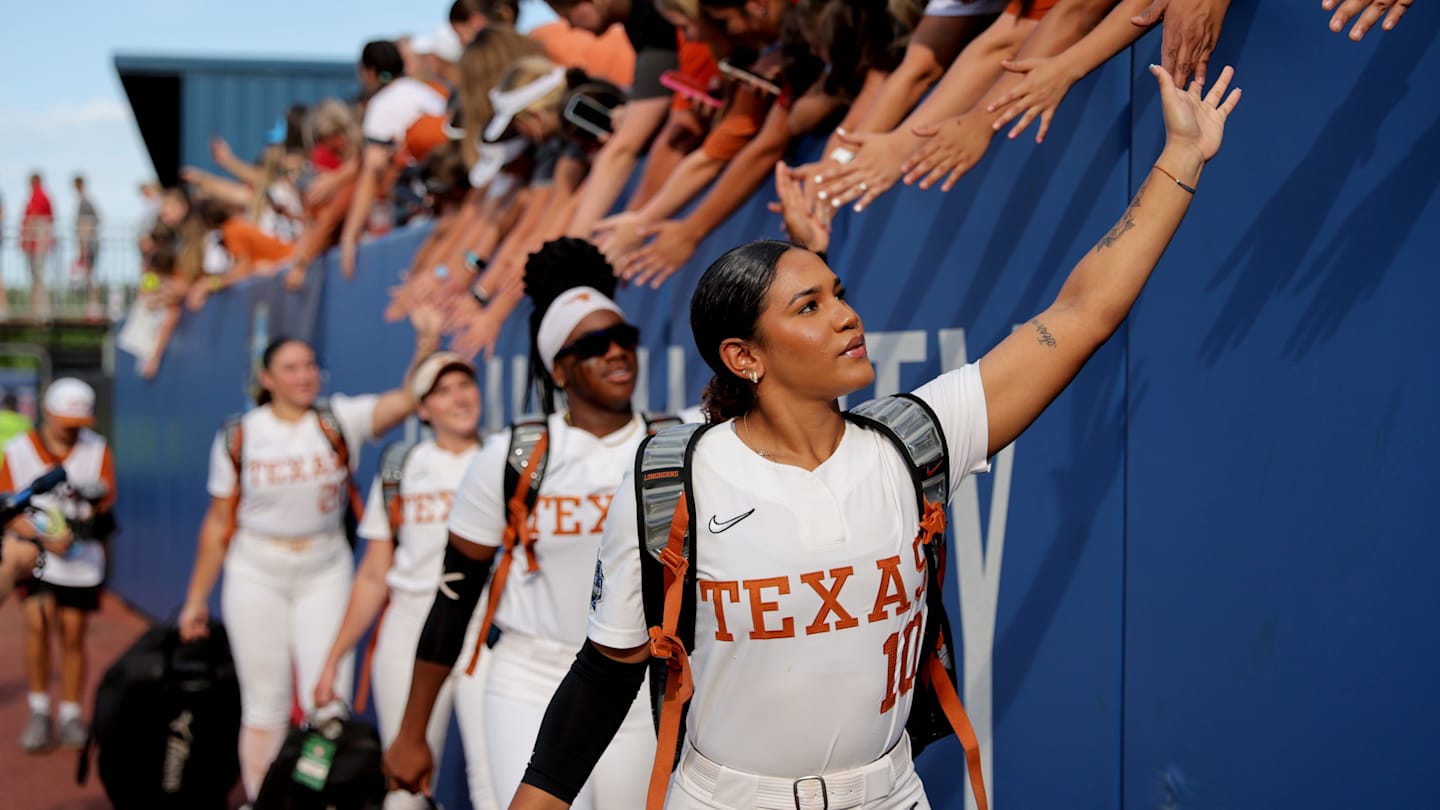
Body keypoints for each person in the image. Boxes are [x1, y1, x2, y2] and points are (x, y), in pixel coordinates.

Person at [507, 63, 1241, 810]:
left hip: (891, 793)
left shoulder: (914, 438)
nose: (846, 316)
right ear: (744, 357)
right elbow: (604, 675)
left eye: (841, 297)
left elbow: (1084, 312)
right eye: (810, 306)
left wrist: (1181, 155)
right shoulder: (672, 479)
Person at [385, 238, 669, 808]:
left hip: (633, 682)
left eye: (624, 338)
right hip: (530, 678)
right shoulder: (514, 455)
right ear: (559, 367)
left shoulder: (669, 446)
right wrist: (413, 730)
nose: (617, 353)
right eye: (593, 343)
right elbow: (454, 596)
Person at [177, 309, 442, 803]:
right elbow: (217, 524)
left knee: (327, 702)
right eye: (291, 368)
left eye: (310, 366)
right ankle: (265, 800)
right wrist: (196, 599)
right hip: (256, 568)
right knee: (264, 706)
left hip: (325, 568)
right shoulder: (241, 433)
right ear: (267, 378)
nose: (303, 376)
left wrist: (425, 344)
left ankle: (321, 799)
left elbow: (408, 400)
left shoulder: (338, 418)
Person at [312, 351, 497, 810]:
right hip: (412, 627)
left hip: (486, 633)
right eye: (443, 390)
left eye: (465, 385)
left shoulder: (504, 460)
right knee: (405, 783)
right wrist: (336, 656)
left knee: (495, 783)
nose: (459, 397)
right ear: (422, 408)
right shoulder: (402, 467)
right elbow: (374, 573)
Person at [2, 378, 117, 753]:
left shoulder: (97, 449)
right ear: (48, 413)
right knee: (37, 624)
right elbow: (8, 508)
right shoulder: (18, 450)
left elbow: (104, 507)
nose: (70, 429)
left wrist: (83, 527)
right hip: (34, 555)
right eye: (65, 420)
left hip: (80, 559)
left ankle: (69, 713)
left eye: (77, 422)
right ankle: (39, 710)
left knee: (72, 633)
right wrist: (41, 536)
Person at [20, 173, 54, 319]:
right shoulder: (40, 196)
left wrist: (28, 241)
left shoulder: (39, 196)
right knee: (36, 277)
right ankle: (37, 309)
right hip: (37, 245)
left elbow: (35, 219)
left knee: (38, 277)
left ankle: (41, 311)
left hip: (37, 245)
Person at [73, 175, 102, 318]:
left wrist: (83, 242)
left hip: (89, 245)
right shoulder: (86, 201)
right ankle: (92, 306)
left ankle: (94, 307)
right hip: (90, 244)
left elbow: (89, 222)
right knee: (88, 277)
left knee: (90, 277)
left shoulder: (84, 202)